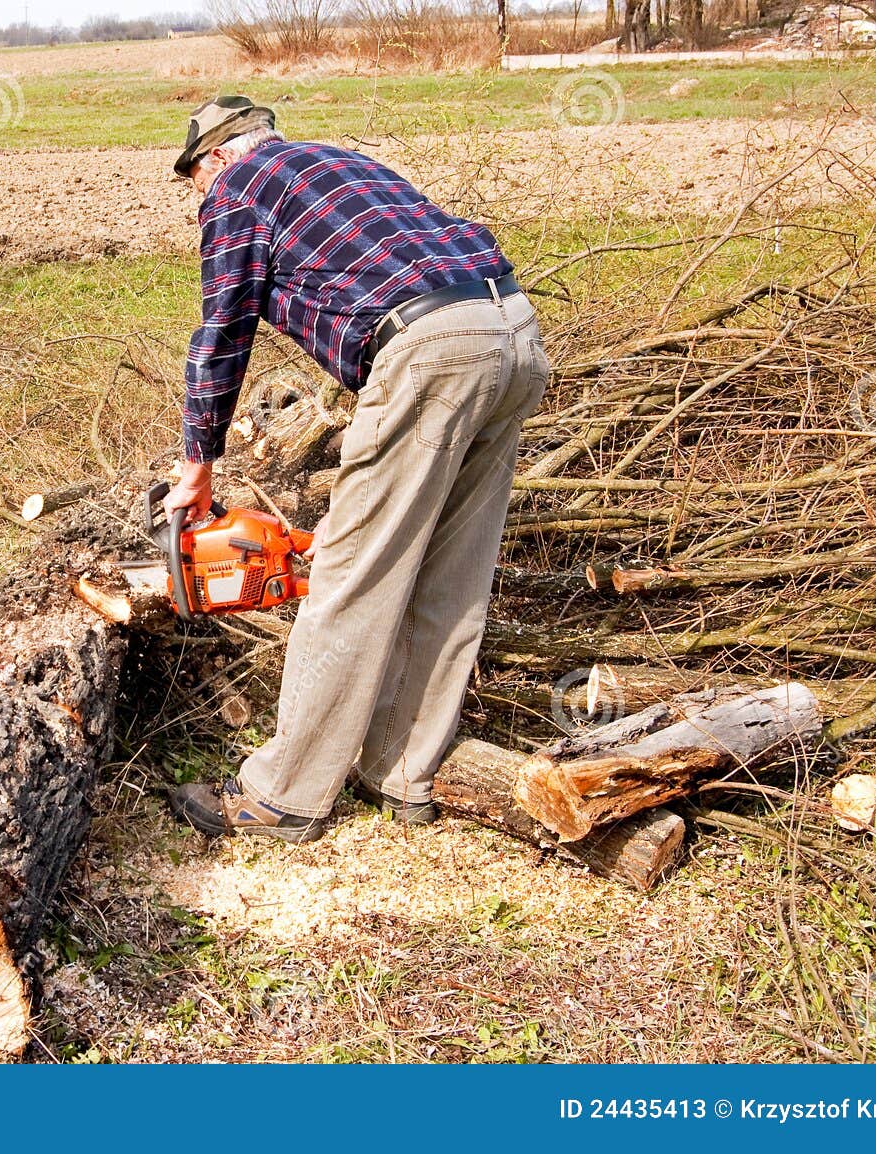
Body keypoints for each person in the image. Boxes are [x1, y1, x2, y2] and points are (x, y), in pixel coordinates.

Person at [164, 97, 551, 843]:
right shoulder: (344, 163)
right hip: (512, 330)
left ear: (214, 159)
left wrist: (196, 465)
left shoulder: (237, 190)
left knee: (352, 572)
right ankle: (404, 773)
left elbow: (222, 331)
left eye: (195, 185)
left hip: (432, 350)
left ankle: (283, 795)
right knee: (453, 571)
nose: (200, 201)